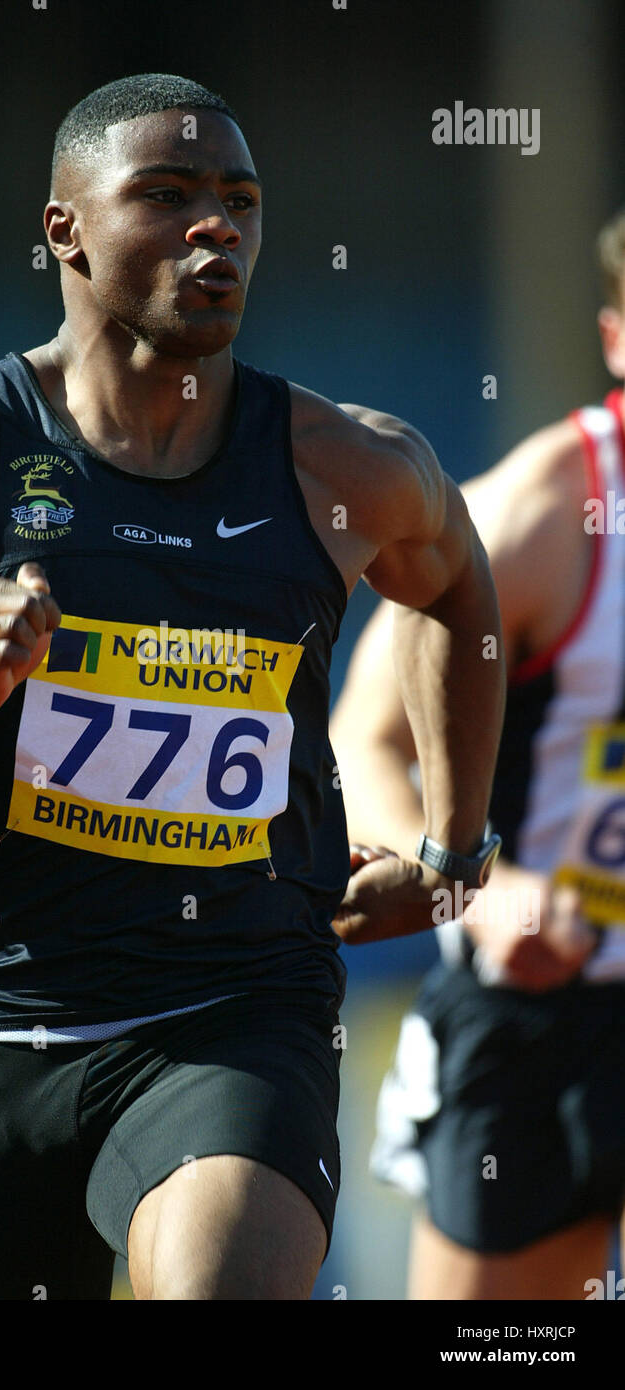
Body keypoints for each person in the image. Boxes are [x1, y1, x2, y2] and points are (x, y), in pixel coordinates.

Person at [0, 72, 504, 1301]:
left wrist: (454, 847)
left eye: (239, 201)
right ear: (65, 230)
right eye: (169, 195)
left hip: (238, 1014)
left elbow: (455, 586)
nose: (217, 229)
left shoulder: (338, 464)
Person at [329, 208, 625, 1300]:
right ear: (613, 341)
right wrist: (479, 889)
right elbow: (359, 728)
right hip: (542, 1016)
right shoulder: (551, 513)